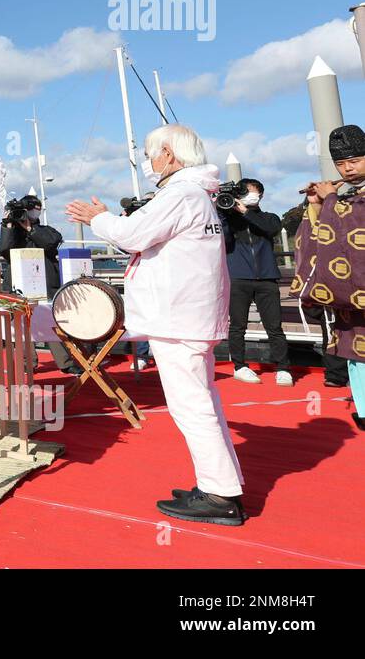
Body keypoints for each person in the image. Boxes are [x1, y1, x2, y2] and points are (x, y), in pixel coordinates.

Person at [67, 123, 246, 526]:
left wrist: (100, 218)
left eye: (150, 154)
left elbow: (134, 234)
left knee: (193, 407)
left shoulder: (181, 193)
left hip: (180, 317)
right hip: (191, 316)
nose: (148, 162)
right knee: (203, 404)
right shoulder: (196, 194)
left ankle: (220, 495)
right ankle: (218, 485)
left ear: (168, 153)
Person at [290, 124, 365, 429]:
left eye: (355, 161)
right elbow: (322, 238)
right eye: (341, 164)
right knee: (356, 355)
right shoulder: (347, 196)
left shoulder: (346, 199)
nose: (348, 169)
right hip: (353, 298)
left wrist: (332, 200)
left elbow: (353, 229)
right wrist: (316, 206)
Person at [0, 194, 80, 374]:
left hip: (45, 283)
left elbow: (50, 243)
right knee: (20, 326)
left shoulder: (46, 230)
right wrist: (7, 225)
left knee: (52, 323)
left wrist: (29, 228)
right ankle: (27, 363)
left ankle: (66, 362)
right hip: (18, 285)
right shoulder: (13, 234)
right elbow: (3, 248)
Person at [223, 178, 293, 386]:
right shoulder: (230, 220)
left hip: (267, 278)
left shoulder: (270, 218)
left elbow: (270, 229)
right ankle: (239, 366)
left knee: (274, 326)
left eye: (252, 192)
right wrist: (225, 213)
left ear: (261, 195)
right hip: (238, 278)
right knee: (237, 326)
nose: (249, 195)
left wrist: (246, 212)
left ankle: (282, 368)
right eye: (244, 192)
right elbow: (224, 241)